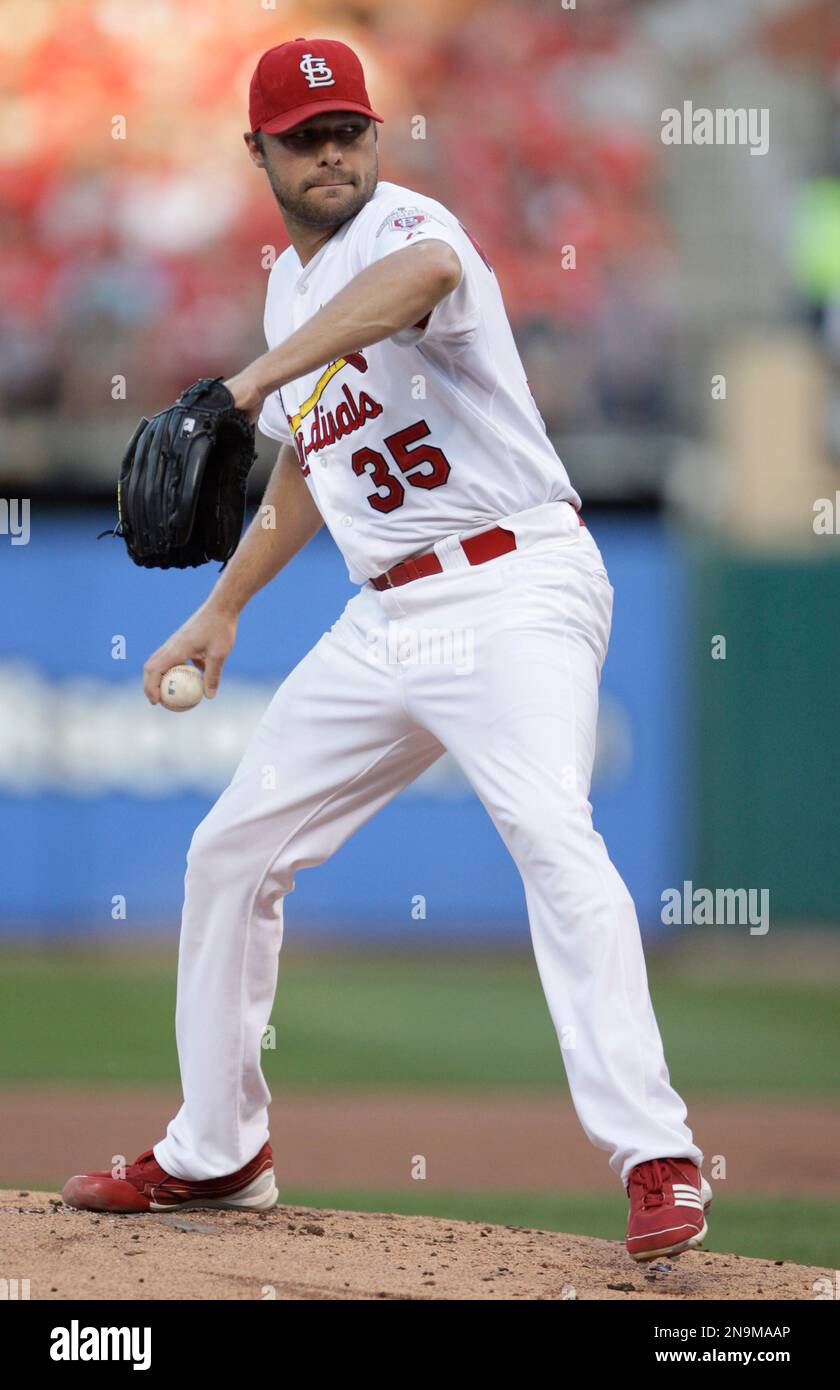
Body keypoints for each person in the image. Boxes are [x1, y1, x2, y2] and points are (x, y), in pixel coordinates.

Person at [63, 37, 711, 1263]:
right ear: (256, 151)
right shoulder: (285, 296)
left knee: (550, 832)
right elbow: (316, 462)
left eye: (347, 129)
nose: (332, 153)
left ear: (375, 137)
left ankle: (657, 1152)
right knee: (230, 849)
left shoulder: (410, 227)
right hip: (387, 613)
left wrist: (245, 384)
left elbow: (413, 283)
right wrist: (228, 605)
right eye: (304, 136)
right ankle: (218, 1150)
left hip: (512, 576)